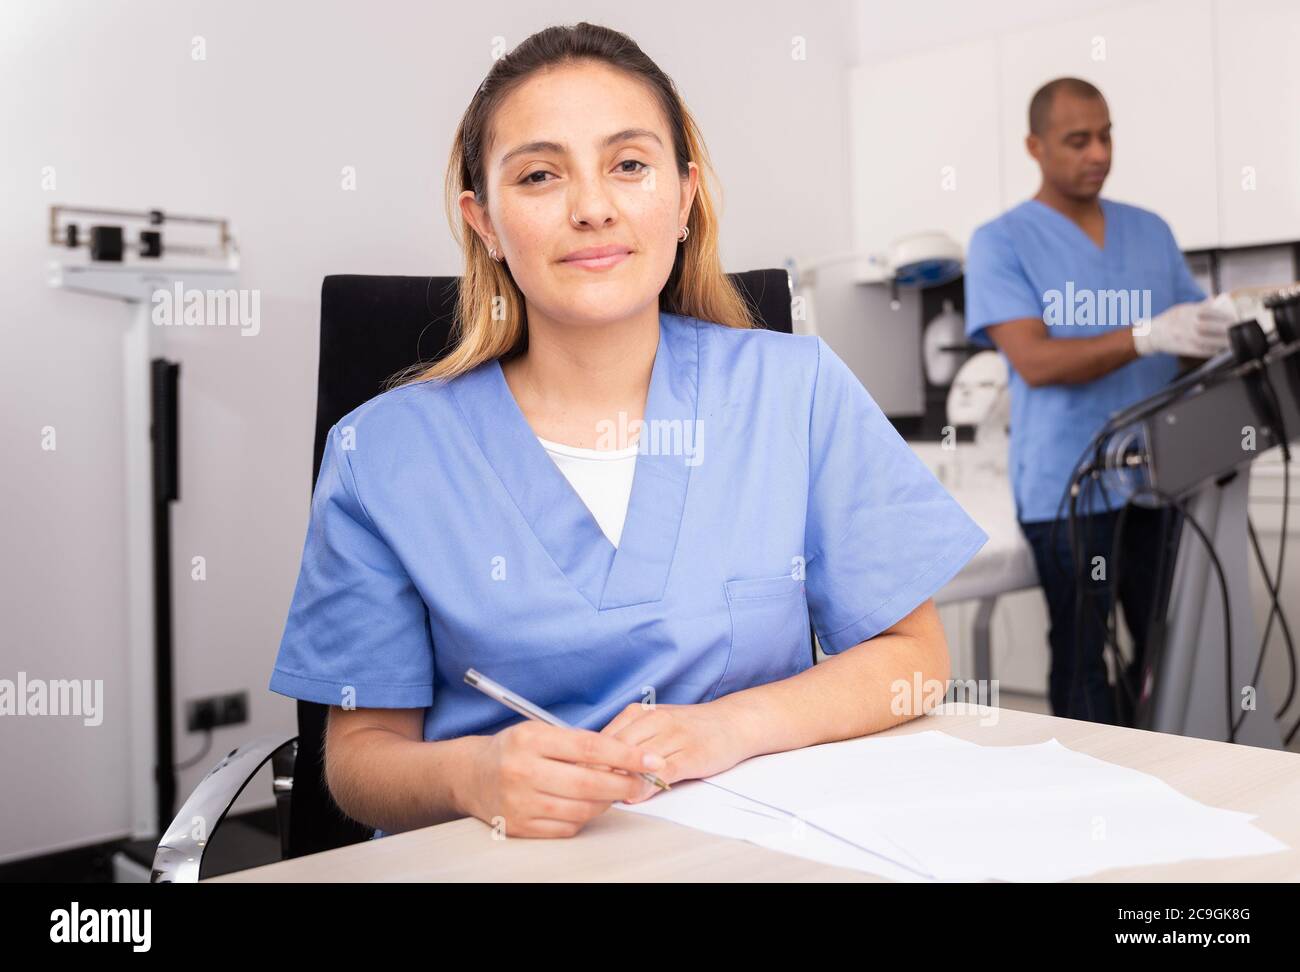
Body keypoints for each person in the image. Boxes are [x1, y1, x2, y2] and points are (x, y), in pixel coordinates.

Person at [269, 22, 987, 840]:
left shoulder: (795, 390)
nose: (593, 207)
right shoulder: (385, 456)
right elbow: (359, 758)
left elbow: (914, 658)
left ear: (683, 197)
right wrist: (473, 774)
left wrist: (730, 727)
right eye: (540, 175)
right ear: (485, 222)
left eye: (629, 165)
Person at [963, 77, 1236, 726]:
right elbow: (1034, 360)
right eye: (1077, 140)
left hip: (1157, 482)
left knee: (1170, 651)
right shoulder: (1000, 242)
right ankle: (1092, 802)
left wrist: (1222, 327)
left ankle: (1172, 785)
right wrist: (1146, 334)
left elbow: (1191, 341)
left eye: (1106, 135)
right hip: (1069, 489)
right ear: (1035, 146)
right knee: (1085, 657)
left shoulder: (1149, 232)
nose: (1098, 153)